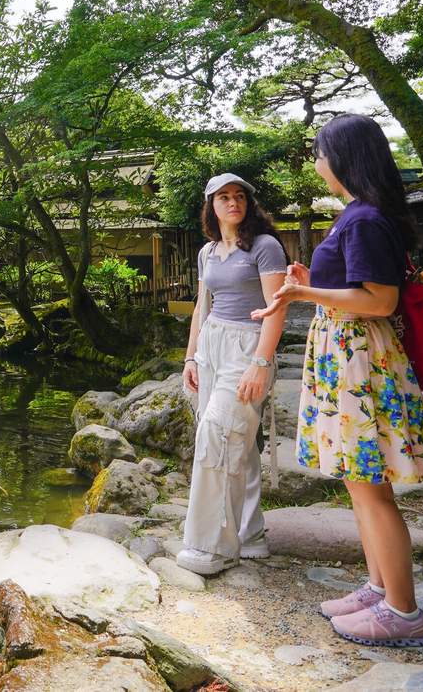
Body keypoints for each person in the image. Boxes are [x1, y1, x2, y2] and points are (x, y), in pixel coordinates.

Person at [252, 113, 423, 648]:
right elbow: (358, 286)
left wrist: (302, 295)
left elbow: (379, 300)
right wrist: (316, 282)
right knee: (360, 483)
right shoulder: (359, 215)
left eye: (319, 153)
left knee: (370, 485)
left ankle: (404, 612)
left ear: (343, 159)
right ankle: (379, 588)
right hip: (348, 353)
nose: (316, 163)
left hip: (359, 358)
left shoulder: (362, 219)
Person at [177, 173, 289, 576]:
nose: (233, 202)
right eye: (223, 197)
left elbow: (278, 308)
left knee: (218, 435)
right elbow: (200, 307)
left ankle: (214, 547)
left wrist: (261, 362)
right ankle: (250, 532)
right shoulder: (208, 252)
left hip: (248, 345)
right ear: (211, 205)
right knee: (238, 441)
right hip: (211, 345)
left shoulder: (265, 246)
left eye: (239, 196)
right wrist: (190, 359)